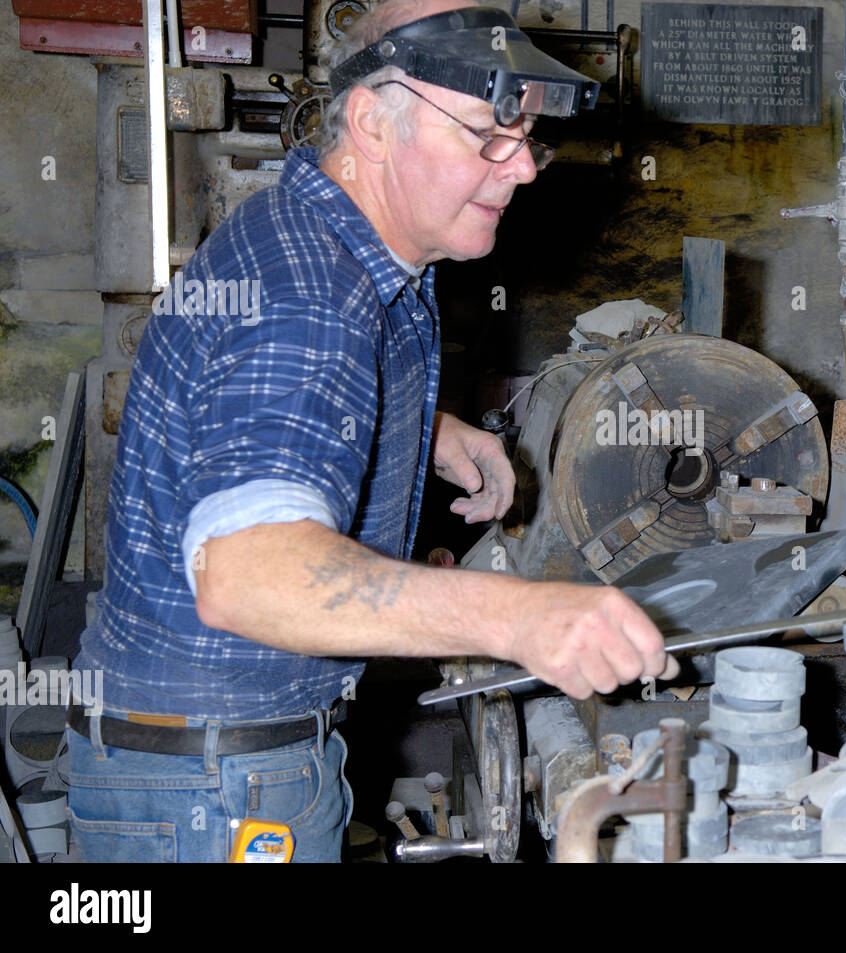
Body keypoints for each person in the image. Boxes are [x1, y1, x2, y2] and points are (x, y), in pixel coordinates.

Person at [66, 0, 676, 863]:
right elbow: (247, 572)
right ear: (372, 123)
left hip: (212, 760)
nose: (524, 170)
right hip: (210, 792)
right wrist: (518, 618)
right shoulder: (309, 293)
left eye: (528, 141)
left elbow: (270, 404)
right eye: (486, 137)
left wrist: (428, 429)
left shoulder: (342, 244)